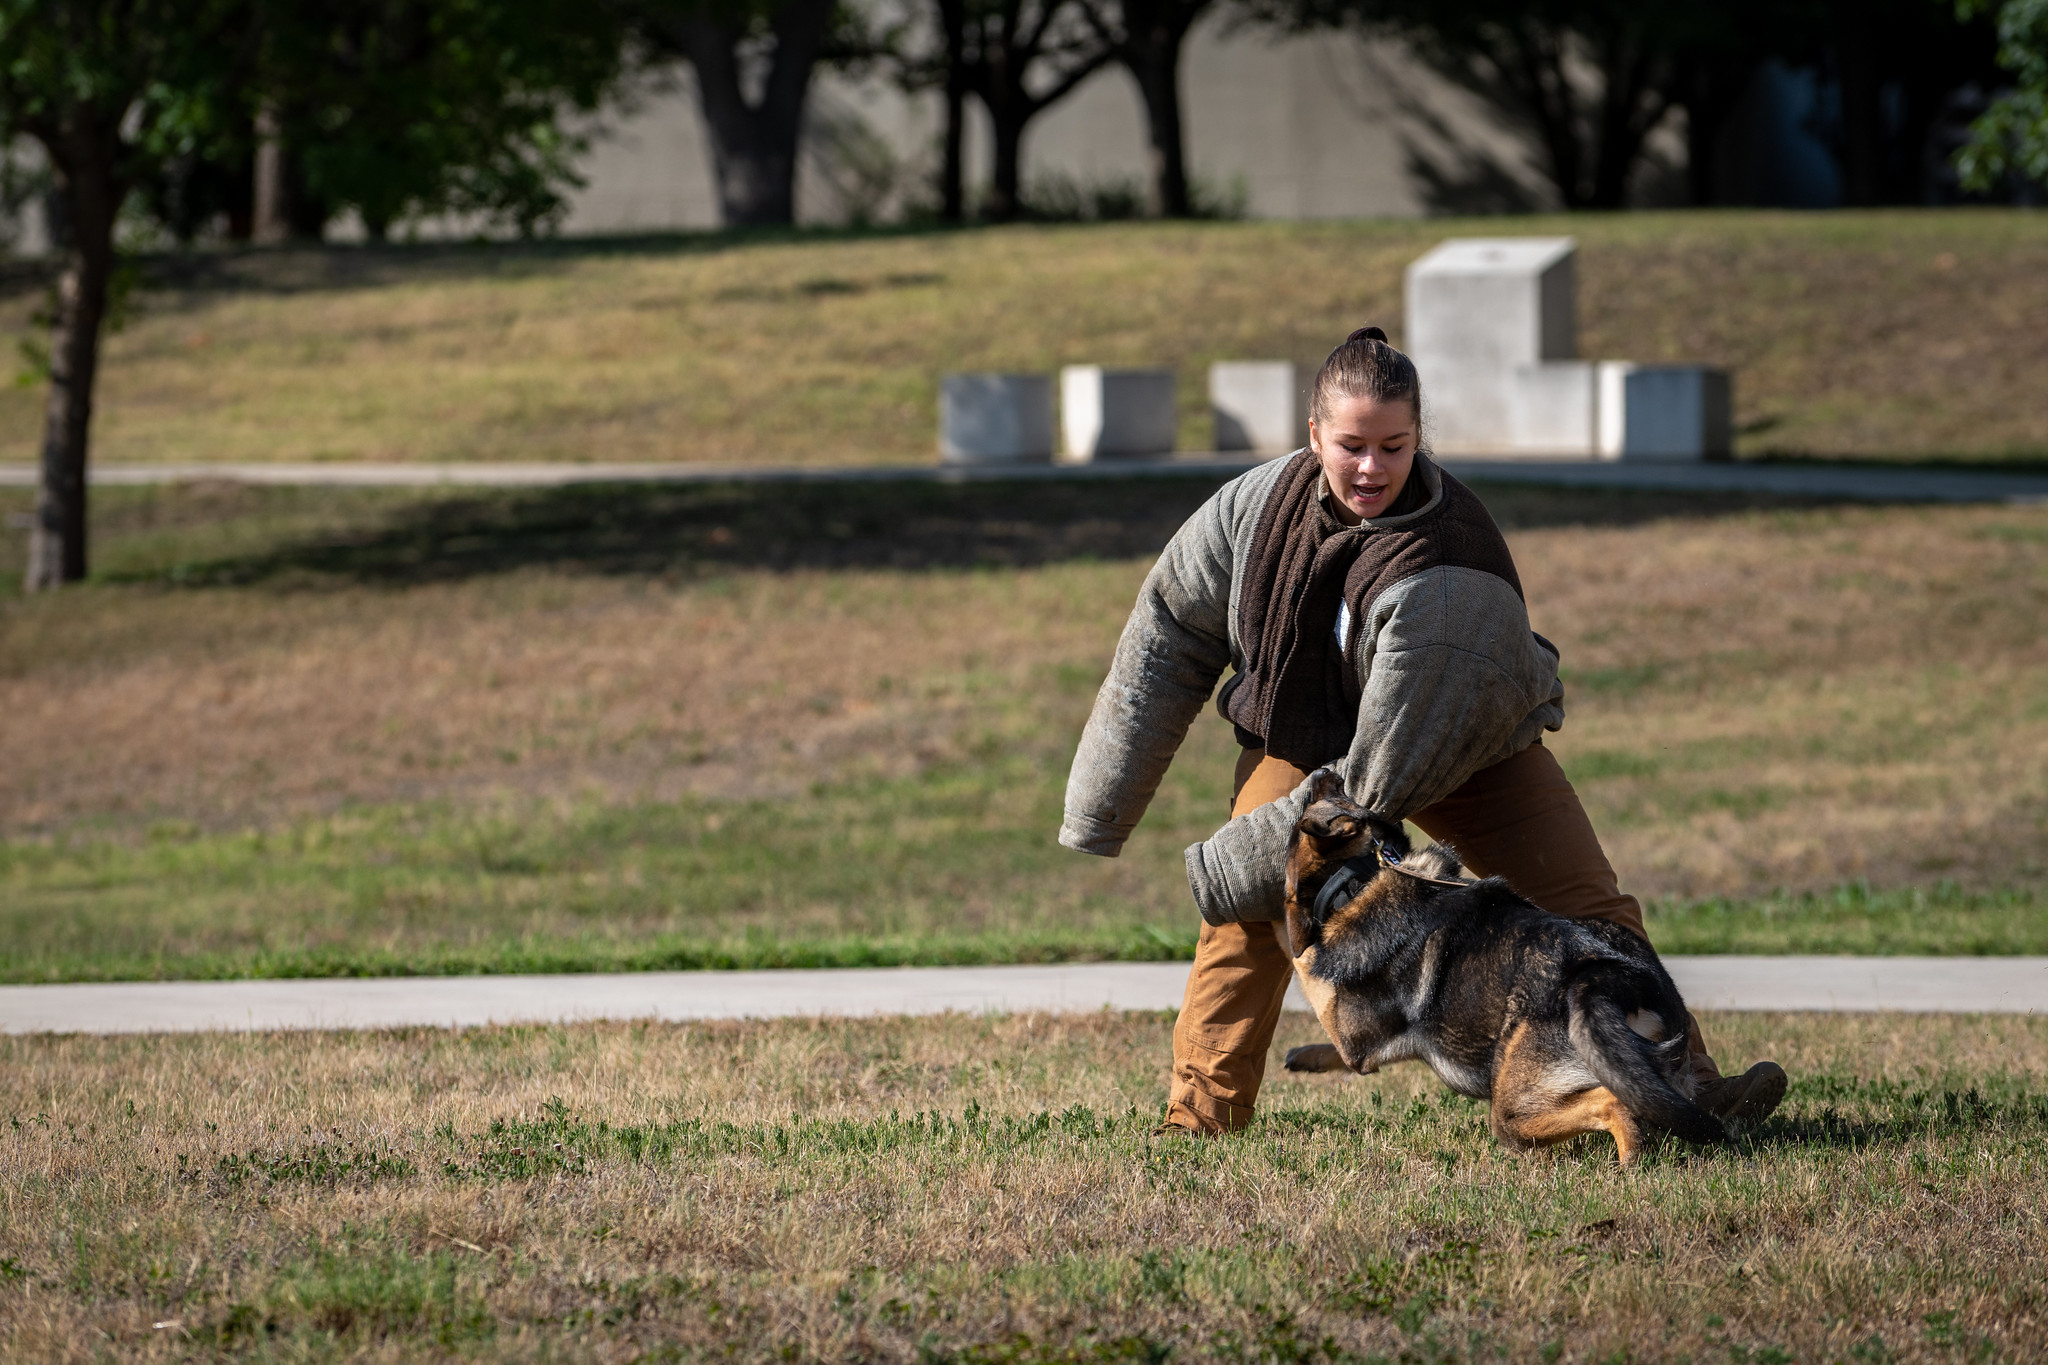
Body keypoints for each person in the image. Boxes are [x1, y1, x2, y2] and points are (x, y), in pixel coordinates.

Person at [1059, 326, 1787, 1136]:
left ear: (1419, 438)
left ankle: (1688, 1086)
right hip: (1311, 740)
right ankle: (1198, 1116)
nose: (1371, 467)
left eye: (1394, 446)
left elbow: (1380, 782)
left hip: (1466, 743)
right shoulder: (1255, 509)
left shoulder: (1446, 569)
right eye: (1352, 445)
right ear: (1313, 436)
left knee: (1589, 909)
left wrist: (1229, 863)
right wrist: (1101, 805)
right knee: (1243, 919)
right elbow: (1170, 625)